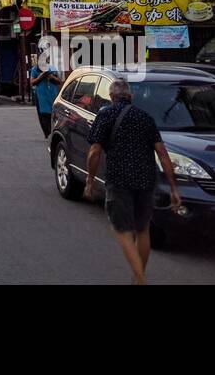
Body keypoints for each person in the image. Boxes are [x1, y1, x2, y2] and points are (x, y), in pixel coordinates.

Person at [85, 77, 183, 285]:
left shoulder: (106, 115)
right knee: (142, 229)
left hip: (119, 180)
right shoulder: (145, 117)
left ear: (111, 97)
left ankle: (140, 277)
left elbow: (94, 151)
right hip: (146, 180)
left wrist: (89, 180)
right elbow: (162, 153)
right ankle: (138, 278)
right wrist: (174, 188)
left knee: (121, 229)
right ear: (131, 96)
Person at [28, 53, 62, 137]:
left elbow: (59, 81)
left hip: (53, 94)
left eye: (46, 59)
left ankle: (53, 132)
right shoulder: (35, 69)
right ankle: (47, 133)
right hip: (41, 96)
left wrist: (52, 77)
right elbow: (32, 82)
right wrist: (41, 76)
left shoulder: (52, 69)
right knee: (43, 115)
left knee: (54, 114)